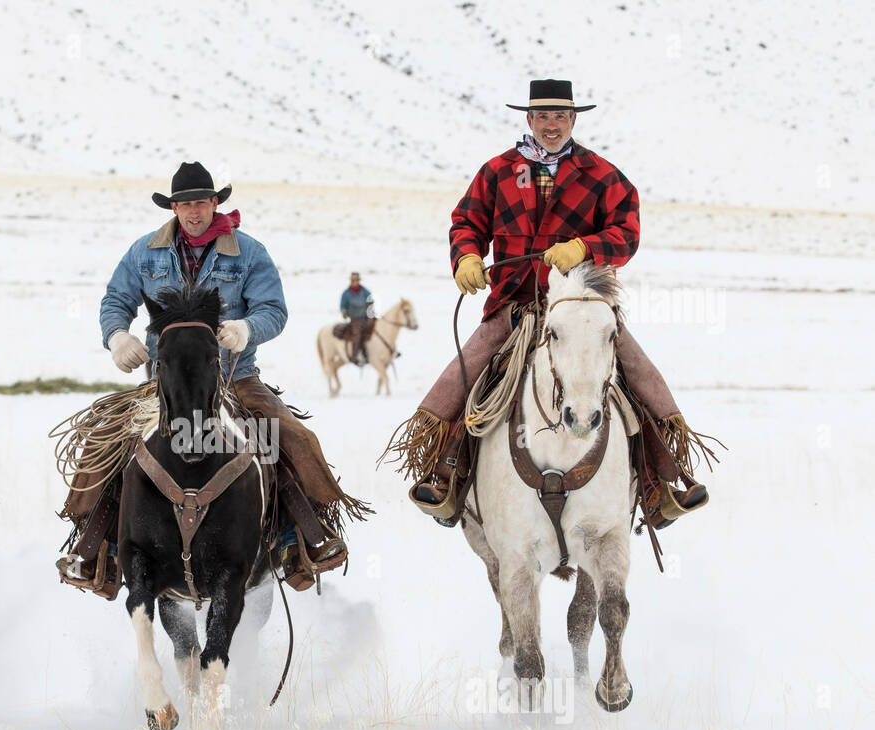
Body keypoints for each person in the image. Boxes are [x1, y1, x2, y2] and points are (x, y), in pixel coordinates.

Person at [392, 80, 711, 528]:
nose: (551, 125)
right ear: (529, 120)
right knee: (469, 369)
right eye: (542, 117)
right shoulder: (498, 172)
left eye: (560, 117)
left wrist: (585, 248)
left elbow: (628, 233)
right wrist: (466, 255)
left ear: (573, 120)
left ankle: (665, 480)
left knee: (638, 373)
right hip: (516, 304)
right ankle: (445, 474)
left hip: (582, 305)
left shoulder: (603, 175)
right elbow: (467, 220)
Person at [56, 162, 368, 598]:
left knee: (289, 437)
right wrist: (117, 335)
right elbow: (116, 299)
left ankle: (300, 539)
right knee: (104, 439)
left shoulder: (249, 253)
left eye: (200, 202)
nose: (193, 212)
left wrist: (245, 329)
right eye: (184, 204)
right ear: (174, 208)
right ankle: (94, 547)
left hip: (235, 378)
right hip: (162, 385)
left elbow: (273, 310)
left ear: (215, 202)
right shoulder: (144, 252)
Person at [339, 272, 375, 365]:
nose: (355, 282)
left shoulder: (365, 291)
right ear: (351, 281)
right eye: (353, 280)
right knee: (357, 334)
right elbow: (343, 306)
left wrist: (371, 312)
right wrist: (344, 313)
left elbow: (371, 301)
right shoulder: (346, 294)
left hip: (366, 317)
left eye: (356, 280)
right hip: (355, 319)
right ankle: (355, 356)